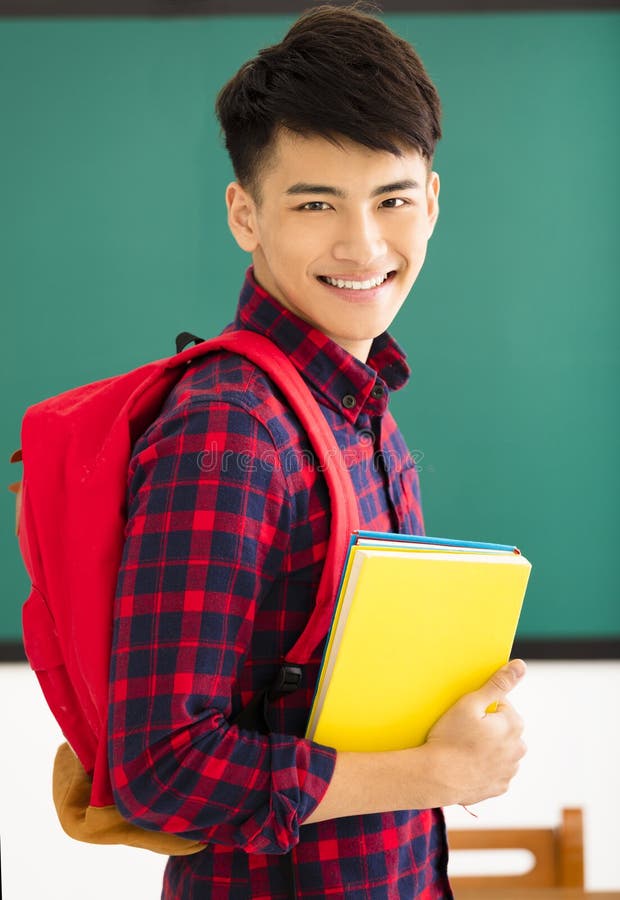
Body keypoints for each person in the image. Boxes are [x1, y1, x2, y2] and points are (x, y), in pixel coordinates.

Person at [108, 5, 527, 898]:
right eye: (315, 203)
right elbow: (160, 771)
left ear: (434, 201)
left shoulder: (358, 404)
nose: (364, 245)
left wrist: (452, 724)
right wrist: (437, 776)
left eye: (392, 200)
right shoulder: (232, 430)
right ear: (245, 214)